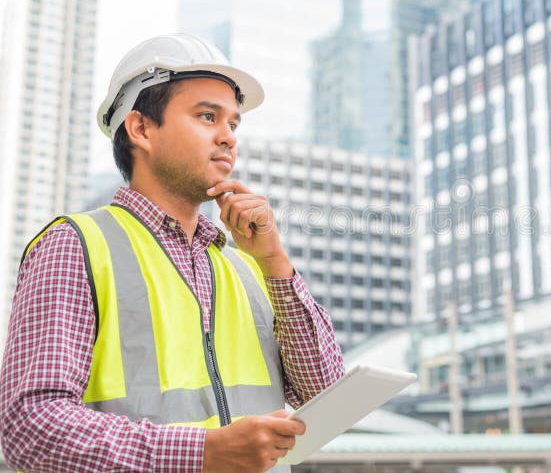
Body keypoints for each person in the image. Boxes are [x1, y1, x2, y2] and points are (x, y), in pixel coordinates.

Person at [0, 34, 346, 472]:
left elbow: (327, 394)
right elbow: (30, 428)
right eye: (207, 116)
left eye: (234, 124)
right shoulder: (76, 246)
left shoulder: (250, 265)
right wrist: (203, 452)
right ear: (141, 128)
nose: (228, 138)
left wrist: (276, 262)